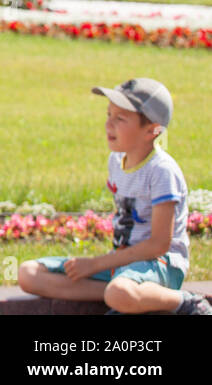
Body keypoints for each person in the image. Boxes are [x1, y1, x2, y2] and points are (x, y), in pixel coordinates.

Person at [18, 78, 211, 315]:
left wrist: (95, 264)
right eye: (109, 114)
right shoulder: (117, 161)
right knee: (29, 274)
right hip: (122, 265)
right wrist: (100, 267)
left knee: (118, 292)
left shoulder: (162, 172)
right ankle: (125, 298)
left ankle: (186, 302)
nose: (109, 124)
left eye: (120, 119)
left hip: (161, 265)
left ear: (153, 130)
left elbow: (159, 244)